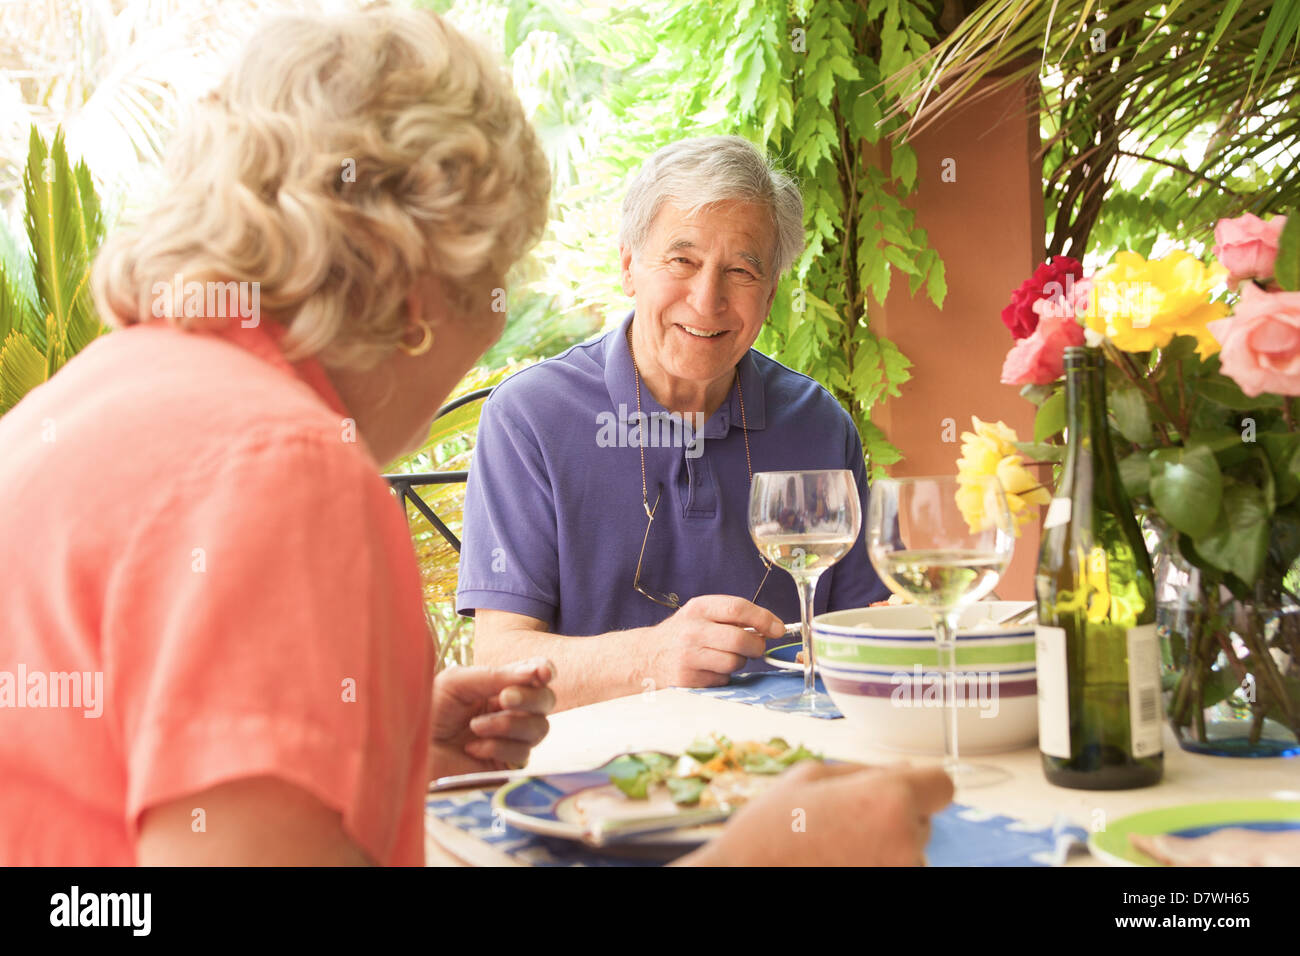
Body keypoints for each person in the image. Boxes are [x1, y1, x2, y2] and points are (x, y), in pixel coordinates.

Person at [0, 5, 948, 866]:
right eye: (495, 272)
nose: (494, 325)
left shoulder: (81, 403)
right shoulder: (279, 467)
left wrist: (389, 766)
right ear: (424, 283)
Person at [458, 136, 891, 709]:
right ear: (629, 266)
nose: (707, 299)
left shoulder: (818, 424)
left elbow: (865, 628)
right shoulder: (529, 417)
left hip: (787, 762)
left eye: (741, 269)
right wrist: (654, 658)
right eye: (682, 260)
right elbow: (499, 663)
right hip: (601, 776)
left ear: (770, 294)